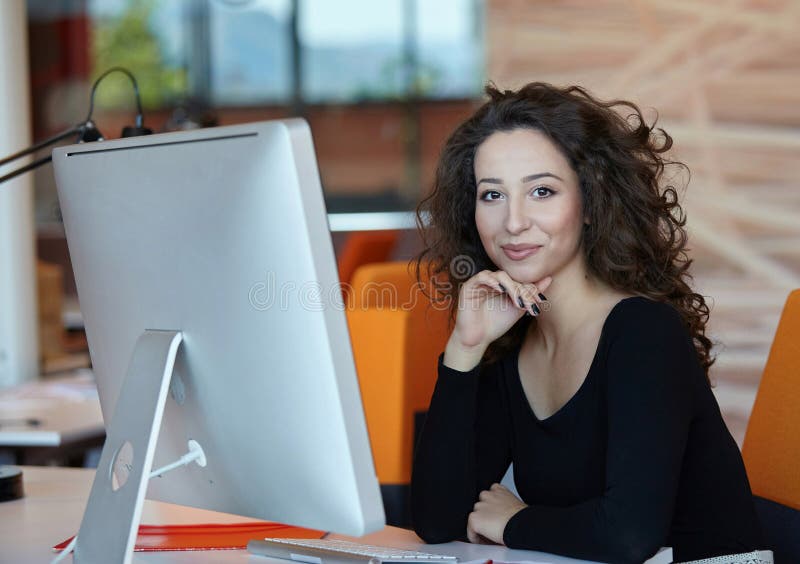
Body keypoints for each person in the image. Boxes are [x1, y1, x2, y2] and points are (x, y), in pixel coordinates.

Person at [411, 83, 771, 564]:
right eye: (492, 195)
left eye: (541, 191)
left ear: (589, 202)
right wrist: (465, 348)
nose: (513, 222)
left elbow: (629, 537)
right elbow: (438, 521)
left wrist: (514, 521)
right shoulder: (514, 341)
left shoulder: (643, 332)